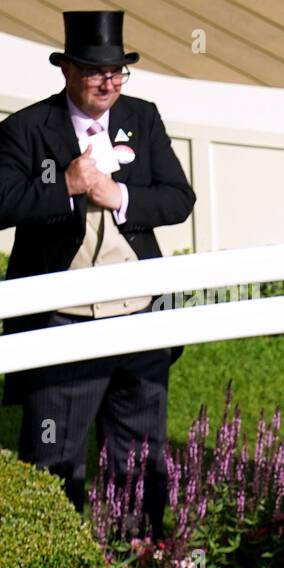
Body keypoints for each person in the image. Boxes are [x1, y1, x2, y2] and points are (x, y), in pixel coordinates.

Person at [0, 11, 195, 532]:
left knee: (141, 457)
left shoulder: (144, 116)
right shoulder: (24, 129)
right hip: (62, 320)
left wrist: (123, 196)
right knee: (54, 456)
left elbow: (179, 198)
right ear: (65, 70)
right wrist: (62, 184)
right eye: (94, 71)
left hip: (139, 314)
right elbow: (2, 202)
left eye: (118, 71)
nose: (108, 81)